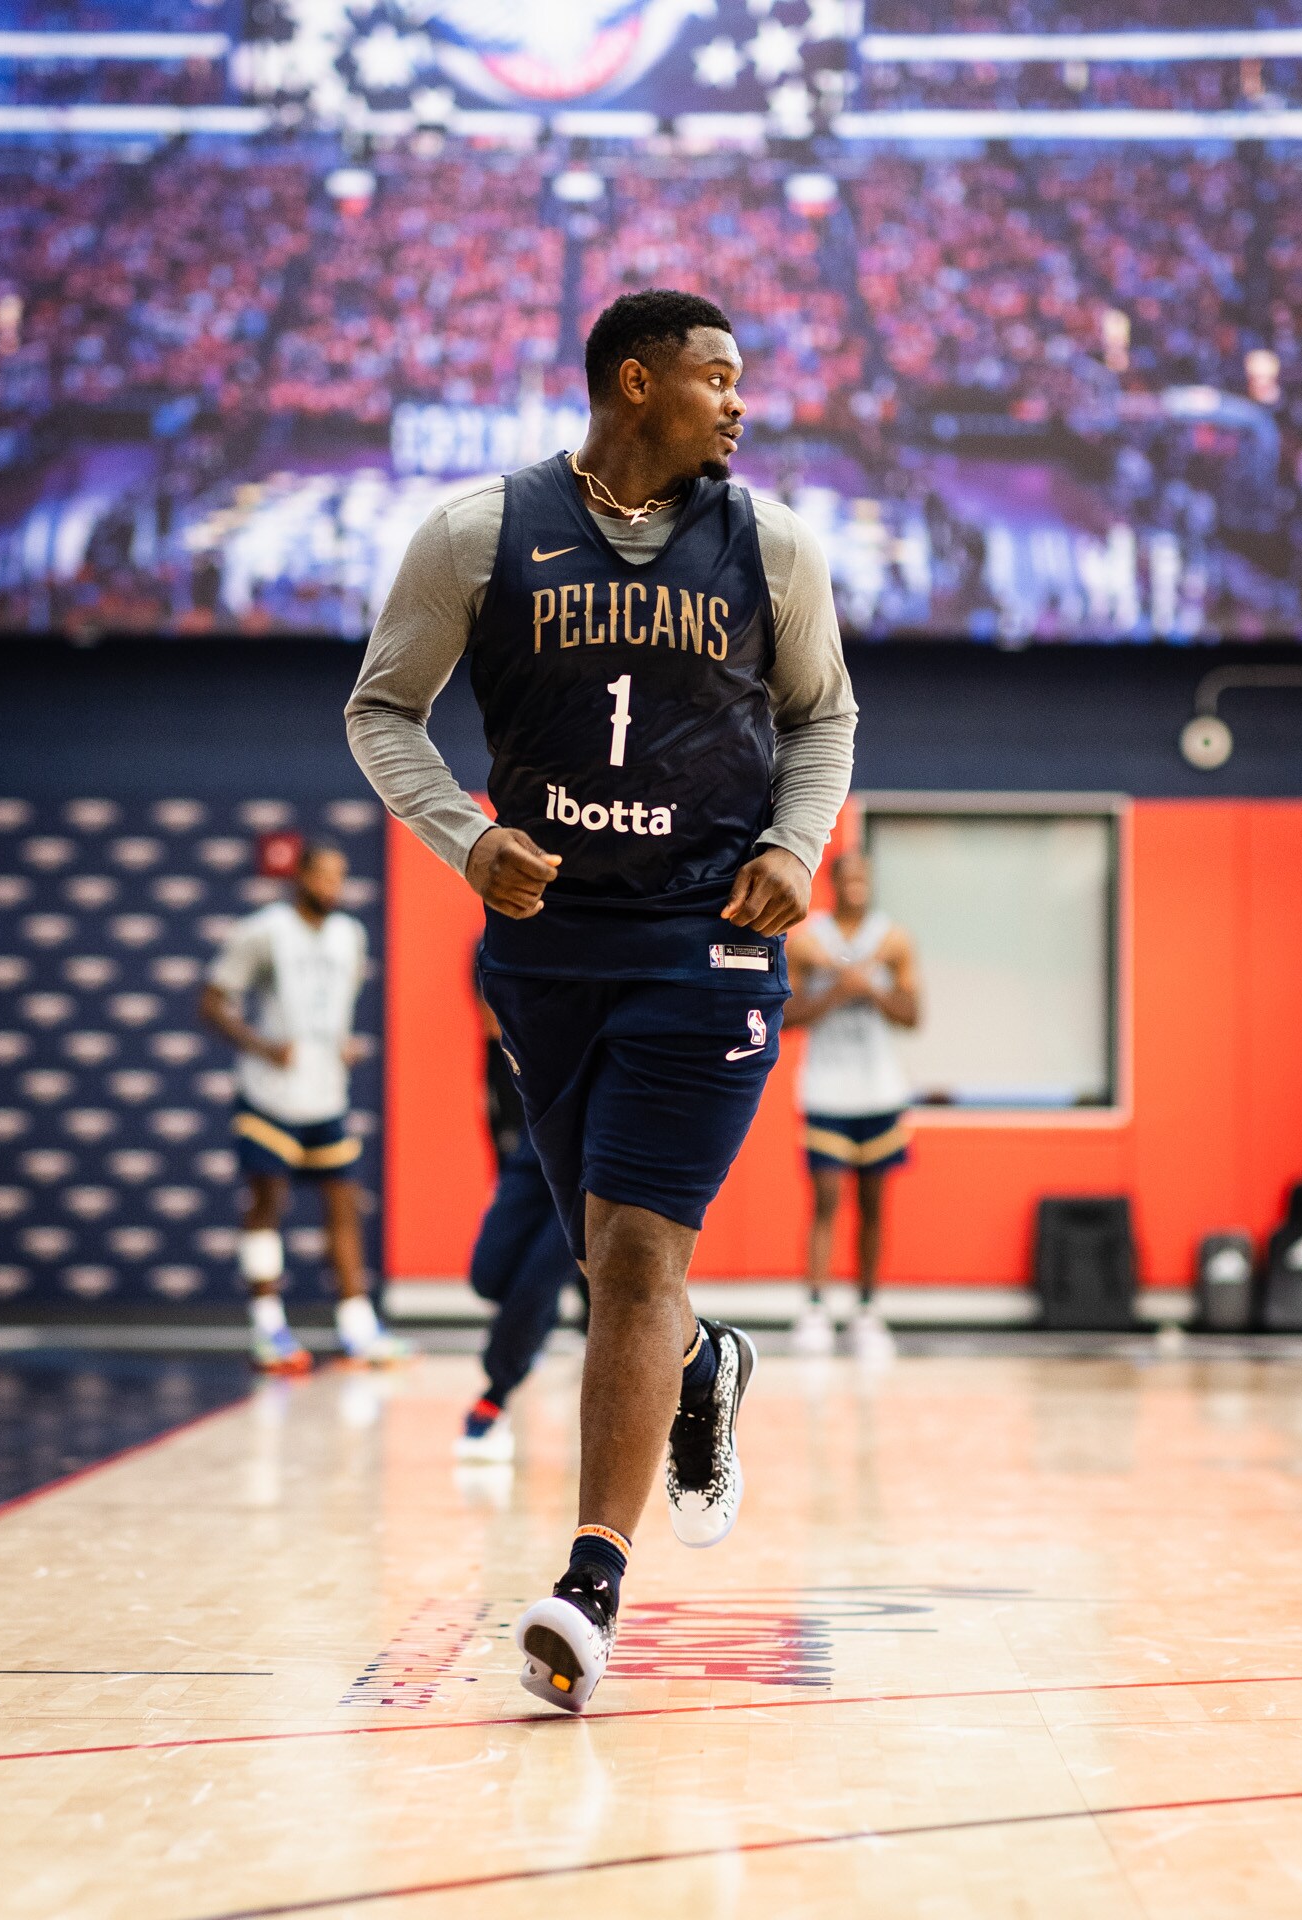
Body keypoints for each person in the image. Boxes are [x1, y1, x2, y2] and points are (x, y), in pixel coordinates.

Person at [347, 288, 856, 1711]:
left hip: (708, 942)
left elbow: (825, 717)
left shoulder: (773, 545)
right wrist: (465, 835)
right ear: (637, 384)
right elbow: (381, 708)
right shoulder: (479, 534)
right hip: (548, 948)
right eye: (718, 378)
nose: (740, 403)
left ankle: (589, 1585)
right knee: (610, 1265)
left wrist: (788, 848)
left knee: (635, 1258)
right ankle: (702, 1369)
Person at [199, 840, 410, 1372]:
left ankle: (358, 1327)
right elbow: (212, 1001)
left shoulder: (350, 935)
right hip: (269, 1093)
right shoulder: (265, 930)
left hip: (324, 1092)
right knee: (268, 1202)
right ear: (300, 877)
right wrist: (263, 1046)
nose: (332, 887)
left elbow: (334, 1008)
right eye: (322, 876)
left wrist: (342, 1043)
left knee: (343, 1203)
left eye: (339, 878)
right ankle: (268, 1327)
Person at [784, 847, 920, 1363]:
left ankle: (867, 1311)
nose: (856, 885)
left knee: (873, 1205)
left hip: (879, 1088)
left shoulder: (892, 940)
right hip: (826, 1087)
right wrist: (842, 987)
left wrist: (873, 988)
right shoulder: (809, 941)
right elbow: (787, 1014)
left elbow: (912, 1014)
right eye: (848, 877)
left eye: (864, 877)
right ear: (834, 883)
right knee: (825, 1199)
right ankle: (815, 1308)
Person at [456, 948, 582, 1465]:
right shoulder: (501, 1045)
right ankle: (544, 1320)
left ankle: (494, 1394)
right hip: (533, 1152)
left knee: (538, 1279)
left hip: (589, 1159)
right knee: (489, 1275)